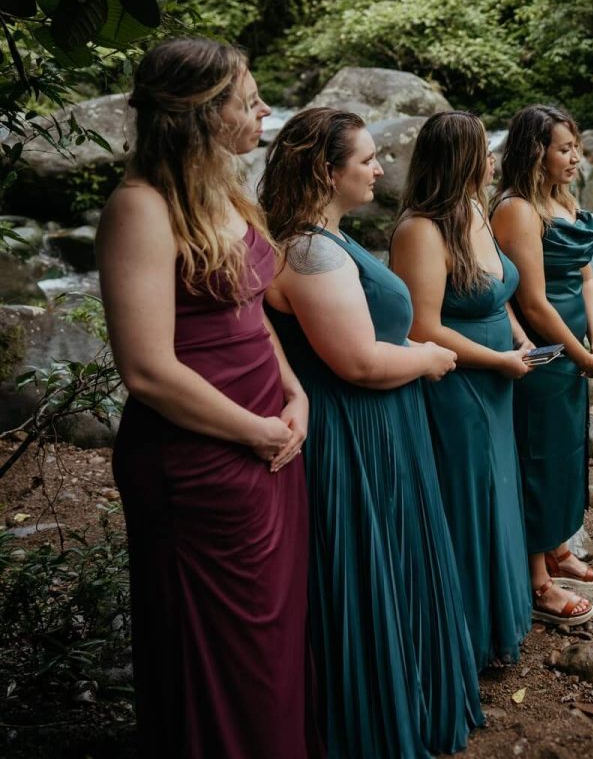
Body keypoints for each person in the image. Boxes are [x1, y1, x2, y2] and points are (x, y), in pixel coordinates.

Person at [99, 38, 315, 758]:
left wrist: (292, 390)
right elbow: (147, 370)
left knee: (270, 641)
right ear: (200, 114)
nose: (265, 110)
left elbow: (248, 311)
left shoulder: (220, 190)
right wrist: (255, 430)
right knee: (216, 652)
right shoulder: (140, 208)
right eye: (249, 101)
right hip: (196, 457)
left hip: (266, 440)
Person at [260, 108, 483, 756]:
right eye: (366, 160)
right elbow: (357, 361)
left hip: (384, 422)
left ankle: (410, 703)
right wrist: (430, 357)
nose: (381, 169)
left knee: (396, 563)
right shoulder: (308, 251)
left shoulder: (331, 238)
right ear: (326, 172)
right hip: (354, 434)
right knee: (367, 572)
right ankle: (373, 727)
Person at [391, 111, 547, 656]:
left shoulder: (476, 209)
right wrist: (499, 361)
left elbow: (499, 291)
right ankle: (468, 637)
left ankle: (505, 619)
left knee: (500, 491)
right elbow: (423, 327)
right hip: (457, 384)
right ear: (459, 160)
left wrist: (520, 338)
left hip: (499, 374)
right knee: (470, 499)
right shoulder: (420, 230)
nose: (494, 161)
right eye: (484, 151)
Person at [491, 105, 593, 622]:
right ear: (535, 152)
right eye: (564, 149)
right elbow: (535, 303)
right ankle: (537, 583)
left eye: (576, 147)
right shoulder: (517, 209)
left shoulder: (563, 199)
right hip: (542, 355)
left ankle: (557, 549)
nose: (575, 157)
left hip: (575, 350)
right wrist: (581, 355)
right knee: (538, 459)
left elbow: (586, 277)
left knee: (566, 452)